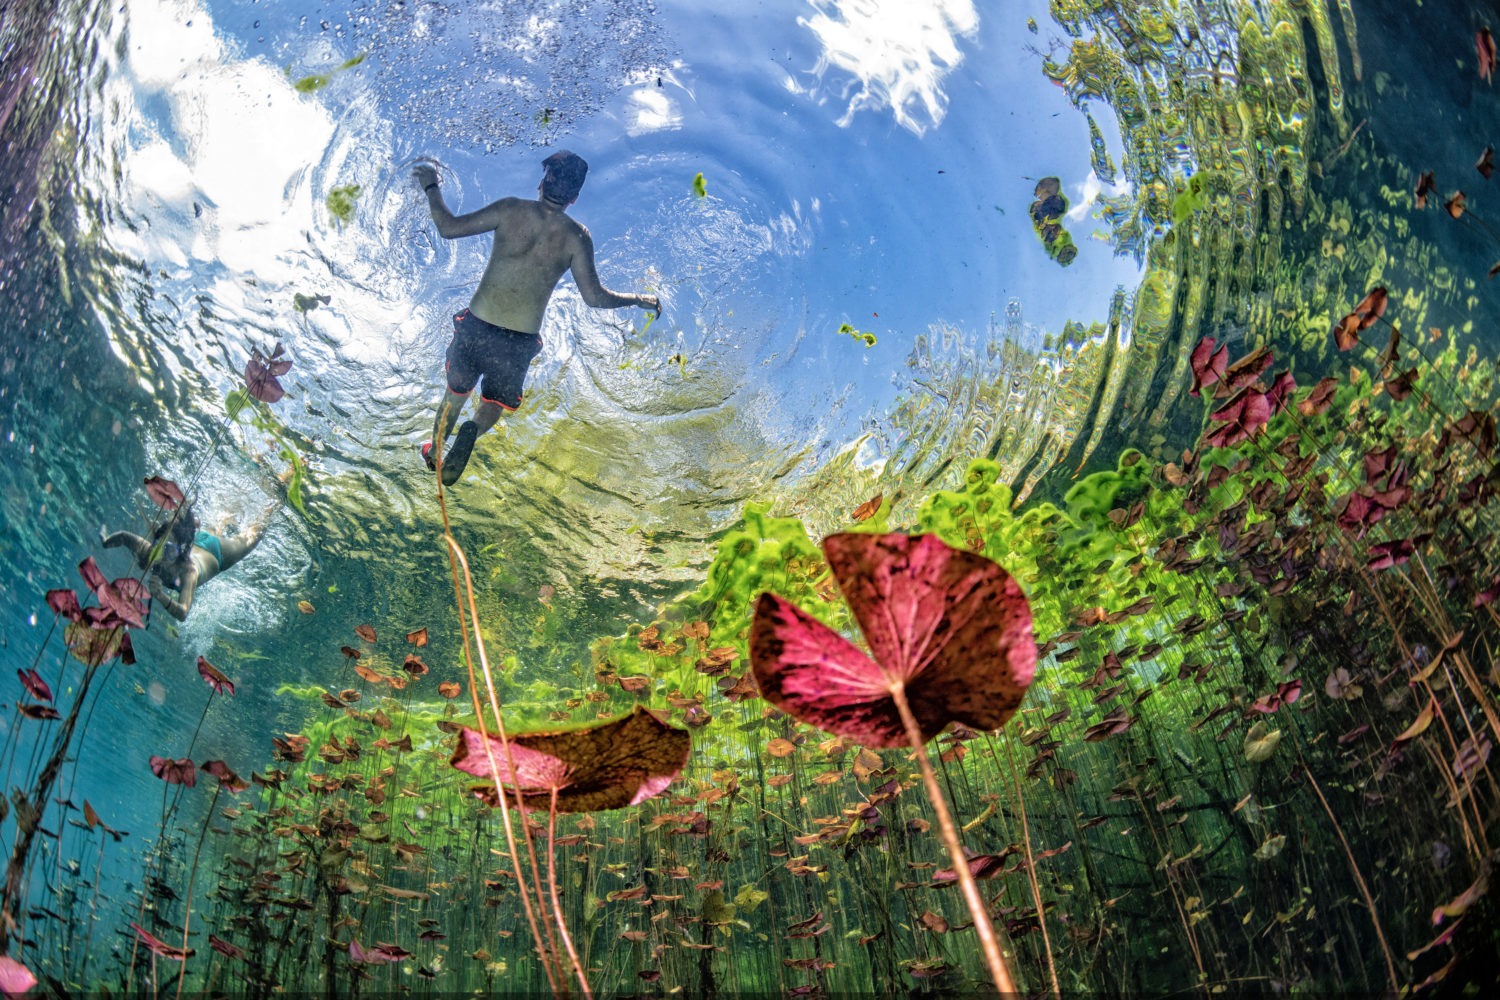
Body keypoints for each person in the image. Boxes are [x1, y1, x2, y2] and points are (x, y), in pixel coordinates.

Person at [413, 150, 661, 486]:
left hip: (477, 325)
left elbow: (448, 228)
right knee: (493, 403)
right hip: (518, 341)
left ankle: (435, 452)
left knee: (455, 394)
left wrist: (431, 186)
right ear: (574, 197)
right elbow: (594, 297)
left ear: (542, 181)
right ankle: (474, 429)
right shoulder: (577, 236)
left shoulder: (511, 208)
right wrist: (639, 299)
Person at [101, 492, 280, 622]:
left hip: (218, 553)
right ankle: (226, 518)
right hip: (199, 540)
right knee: (221, 521)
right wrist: (105, 541)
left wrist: (161, 596)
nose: (163, 556)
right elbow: (124, 536)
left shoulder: (189, 572)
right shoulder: (153, 553)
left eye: (169, 551)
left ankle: (277, 495)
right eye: (160, 547)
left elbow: (183, 612)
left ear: (180, 552)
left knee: (255, 533)